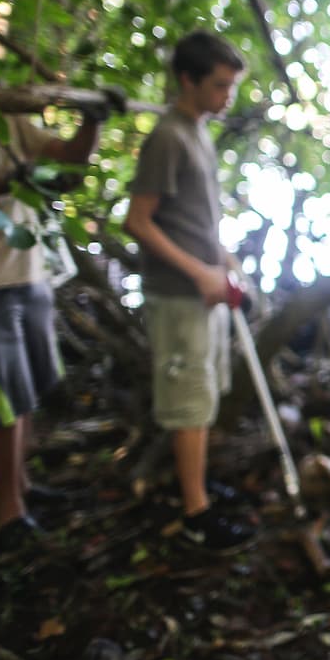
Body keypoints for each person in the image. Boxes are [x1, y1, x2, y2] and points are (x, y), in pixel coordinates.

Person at [0, 15, 105, 544]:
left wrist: (92, 121)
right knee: (1, 400)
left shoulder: (5, 114)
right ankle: (7, 511)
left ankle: (20, 485)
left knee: (29, 389)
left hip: (28, 274)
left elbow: (67, 159)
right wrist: (7, 180)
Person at [123, 30, 254, 553]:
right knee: (189, 404)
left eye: (231, 86)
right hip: (179, 295)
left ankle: (197, 487)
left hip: (206, 289)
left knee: (206, 392)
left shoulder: (198, 130)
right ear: (187, 80)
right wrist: (199, 273)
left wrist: (223, 260)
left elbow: (191, 219)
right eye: (220, 85)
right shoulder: (168, 138)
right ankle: (196, 513)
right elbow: (138, 221)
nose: (228, 96)